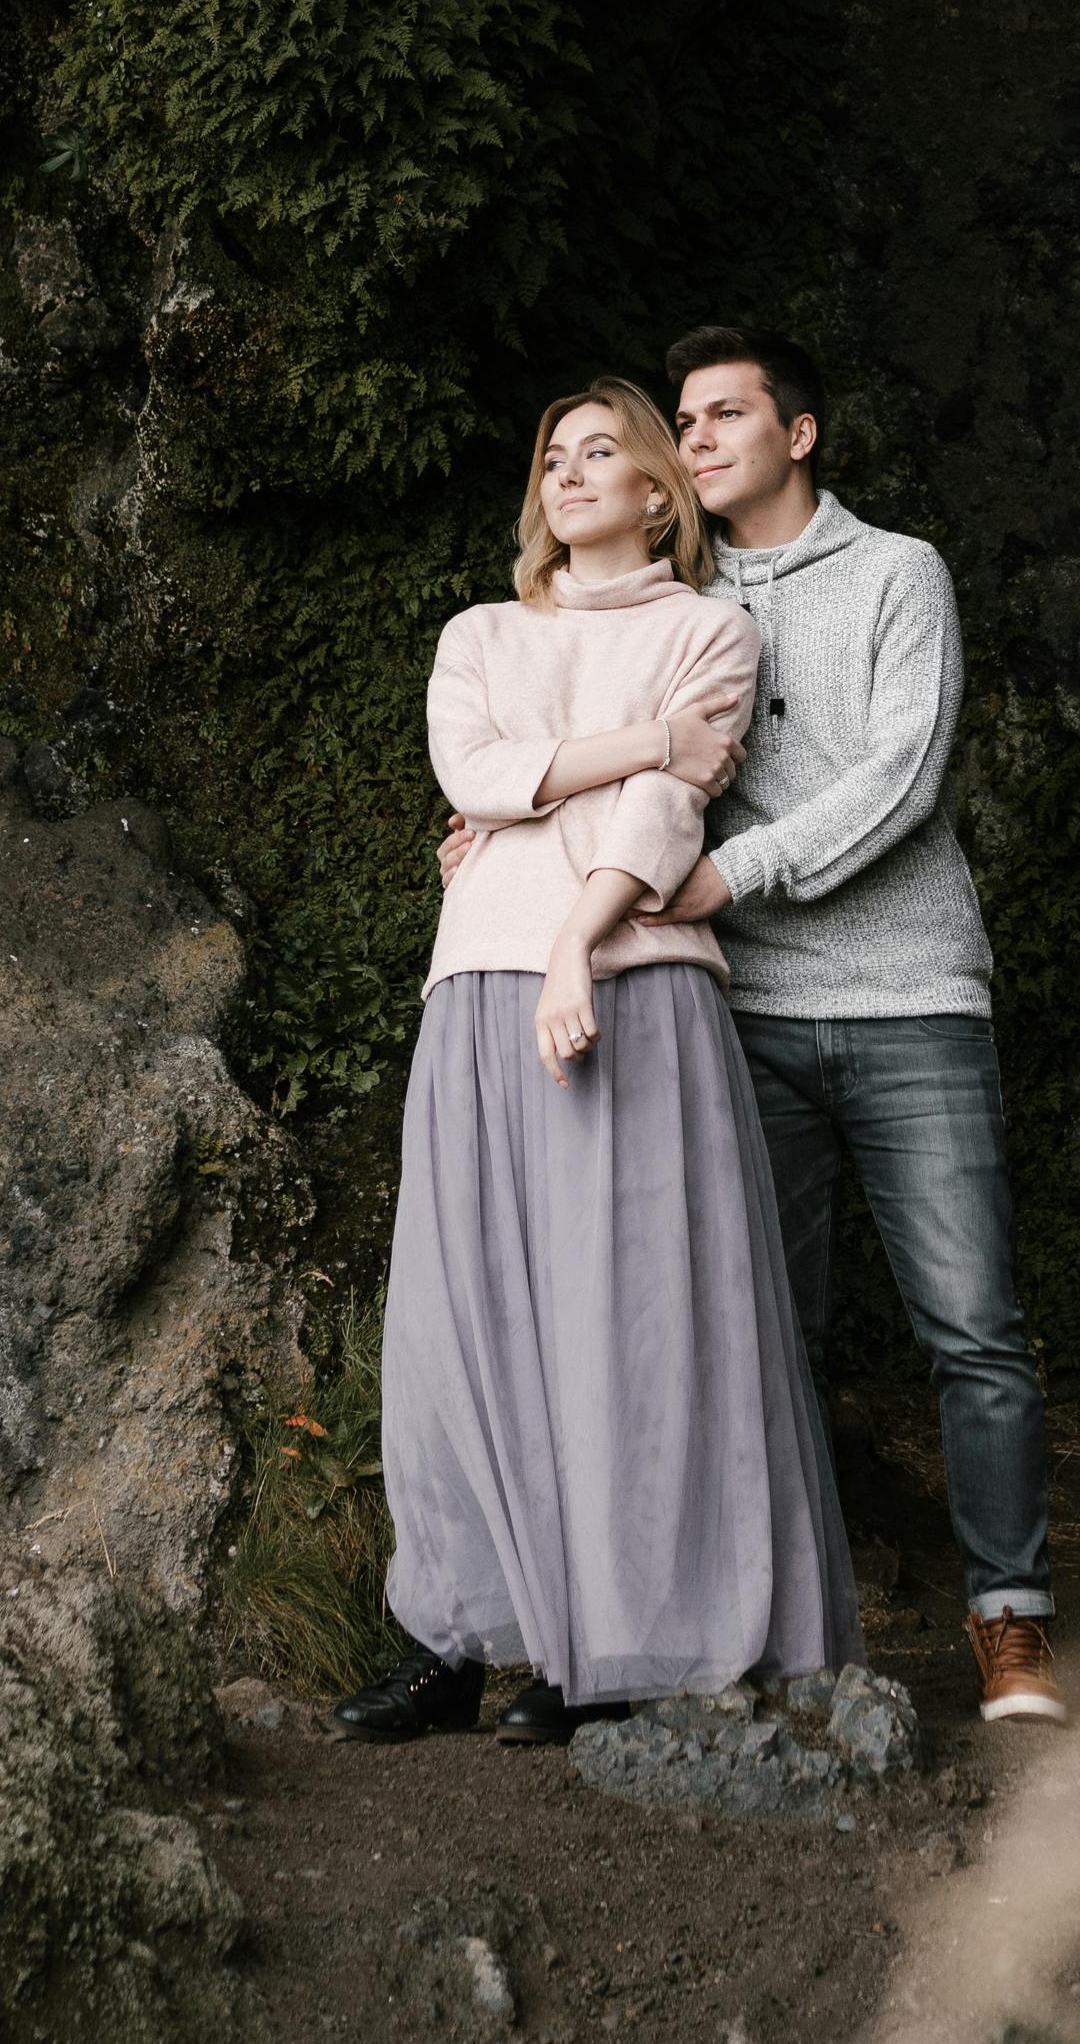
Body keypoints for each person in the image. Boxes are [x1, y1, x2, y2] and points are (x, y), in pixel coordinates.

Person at [339, 377, 859, 1748]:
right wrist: (621, 745)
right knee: (457, 1330)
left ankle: (607, 1651)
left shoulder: (712, 630)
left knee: (622, 1321)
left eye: (602, 453)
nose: (569, 474)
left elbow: (668, 806)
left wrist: (577, 935)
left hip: (624, 988)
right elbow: (476, 775)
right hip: (475, 986)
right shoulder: (480, 635)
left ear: (656, 492)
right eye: (551, 454)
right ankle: (454, 1640)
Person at [651, 323, 1063, 1724]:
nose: (694, 439)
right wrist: (500, 821)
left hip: (911, 1006)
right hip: (744, 1014)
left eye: (721, 416)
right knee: (766, 1333)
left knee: (974, 1329)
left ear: (799, 432)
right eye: (683, 421)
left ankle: (1011, 1625)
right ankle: (788, 1629)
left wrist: (731, 874)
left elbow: (901, 778)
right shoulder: (672, 599)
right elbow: (601, 743)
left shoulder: (899, 574)